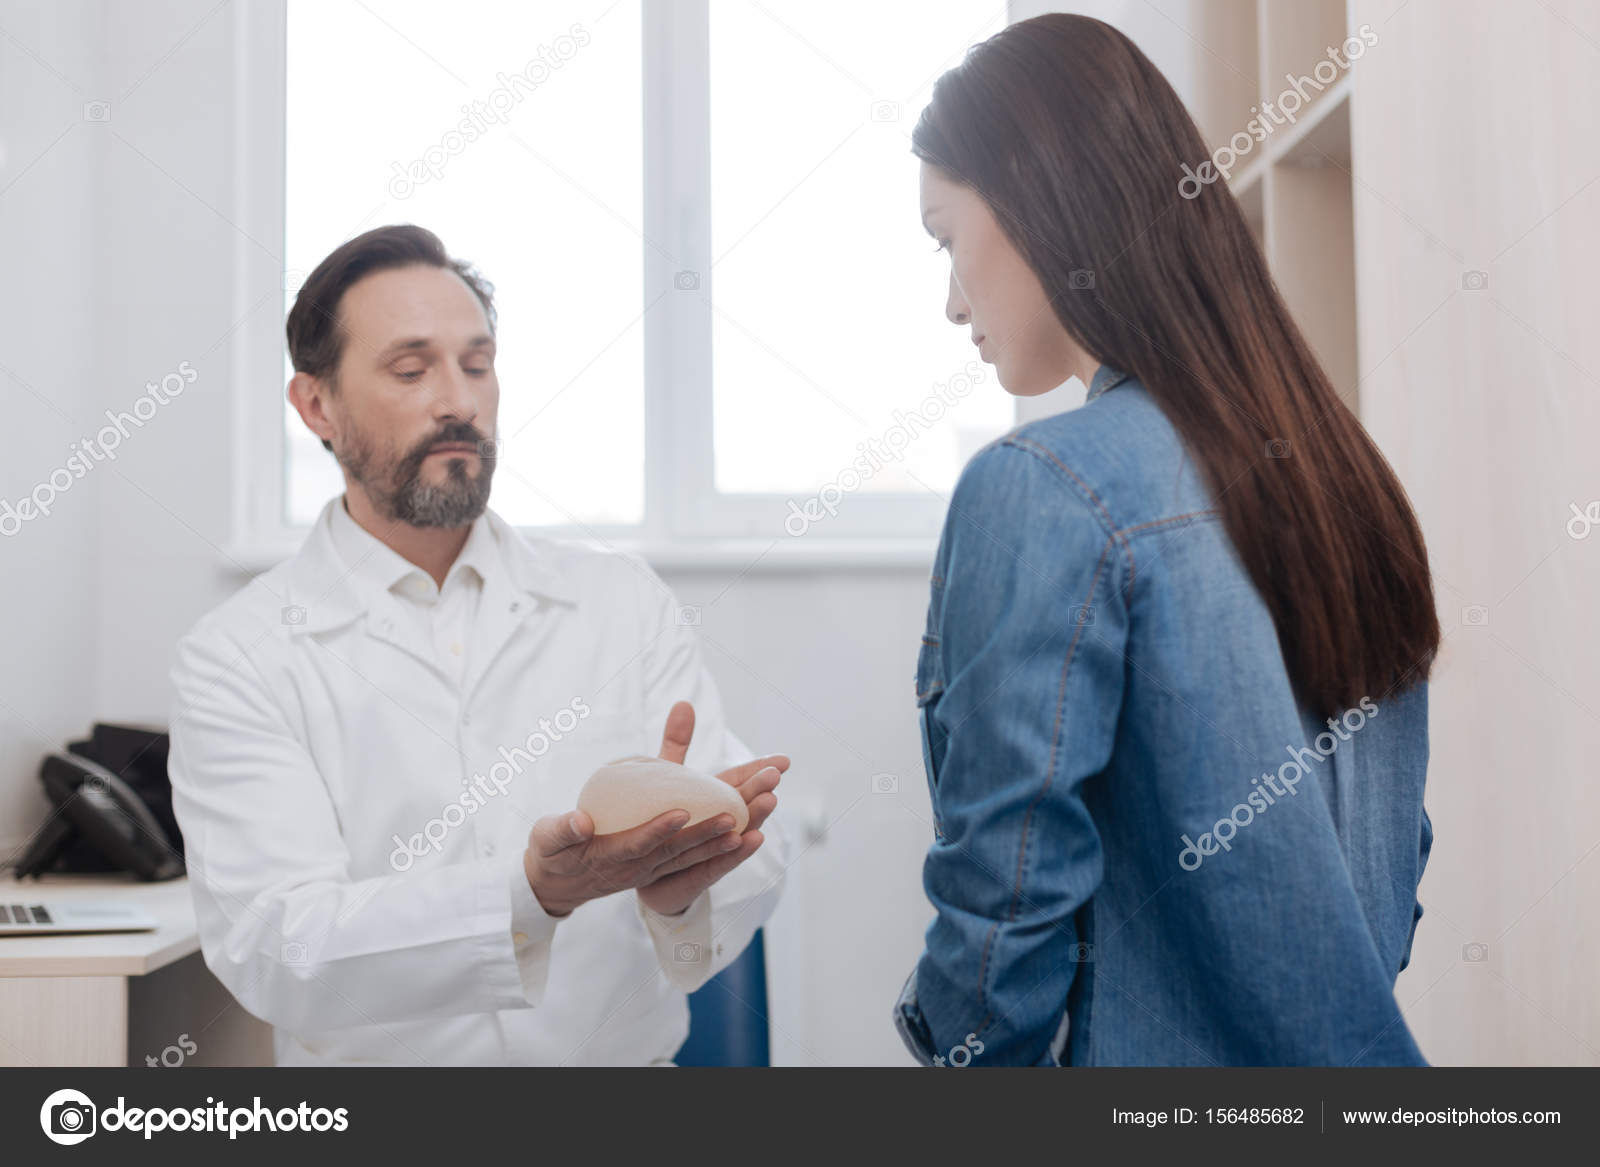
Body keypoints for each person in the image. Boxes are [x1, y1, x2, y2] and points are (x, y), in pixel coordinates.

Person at [894, 14, 1439, 1066]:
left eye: (946, 239)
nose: (953, 302)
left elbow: (1001, 927)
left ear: (1035, 195)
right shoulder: (1344, 480)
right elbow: (1384, 881)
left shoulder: (1045, 485)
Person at [167, 224, 786, 1066]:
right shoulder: (237, 656)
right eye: (411, 369)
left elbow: (745, 868)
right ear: (316, 405)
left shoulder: (621, 603)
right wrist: (529, 896)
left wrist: (682, 892)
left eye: (477, 364)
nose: (457, 400)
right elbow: (278, 945)